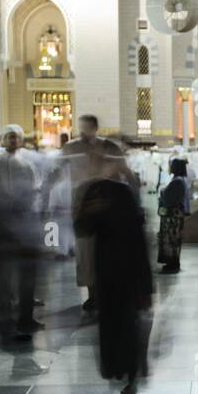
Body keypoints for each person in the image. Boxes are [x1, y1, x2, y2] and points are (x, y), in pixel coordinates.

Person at [73, 149, 154, 394]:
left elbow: (138, 236)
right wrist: (91, 212)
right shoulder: (91, 190)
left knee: (131, 338)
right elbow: (81, 227)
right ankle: (121, 383)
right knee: (111, 337)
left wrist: (146, 285)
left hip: (129, 275)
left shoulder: (125, 190)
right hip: (107, 277)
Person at [55, 114, 123, 312]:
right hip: (81, 204)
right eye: (81, 128)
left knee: (105, 251)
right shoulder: (71, 148)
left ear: (95, 128)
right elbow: (56, 170)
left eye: (87, 128)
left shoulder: (109, 147)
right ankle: (93, 295)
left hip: (106, 202)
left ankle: (106, 293)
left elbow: (121, 172)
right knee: (85, 252)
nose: (83, 132)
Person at [0, 125, 44, 337]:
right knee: (4, 276)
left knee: (27, 275)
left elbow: (36, 189)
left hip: (25, 224)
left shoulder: (27, 163)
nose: (13, 140)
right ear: (3, 140)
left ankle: (26, 318)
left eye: (17, 137)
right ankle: (7, 320)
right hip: (3, 223)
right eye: (10, 137)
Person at [157, 157, 193, 274]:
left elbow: (169, 198)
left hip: (172, 215)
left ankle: (172, 263)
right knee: (174, 239)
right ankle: (172, 262)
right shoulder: (181, 180)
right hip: (177, 214)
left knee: (171, 239)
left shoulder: (177, 181)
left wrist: (163, 192)